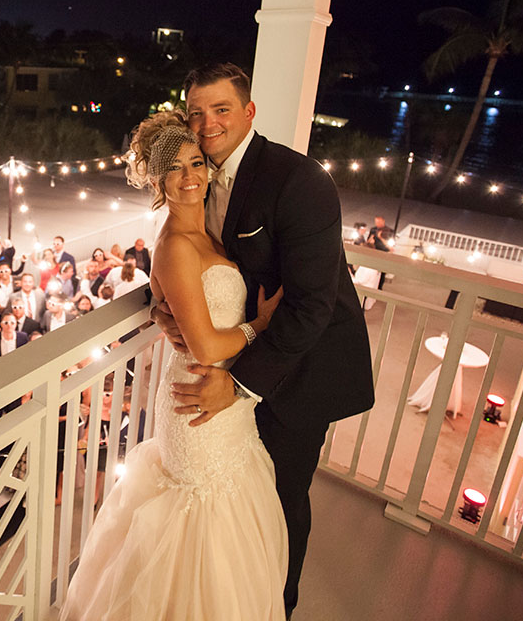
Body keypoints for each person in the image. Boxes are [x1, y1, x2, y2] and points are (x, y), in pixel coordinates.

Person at [154, 64, 375, 616]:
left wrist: (239, 386)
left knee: (278, 502)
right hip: (238, 358)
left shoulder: (300, 180)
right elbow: (187, 257)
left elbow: (312, 307)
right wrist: (161, 305)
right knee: (238, 507)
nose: (207, 124)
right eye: (196, 113)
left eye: (221, 109)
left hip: (301, 370)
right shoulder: (198, 177)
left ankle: (279, 605)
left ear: (248, 111)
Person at [62, 109, 287, 621]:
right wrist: (261, 325)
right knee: (201, 528)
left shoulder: (210, 230)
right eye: (175, 169)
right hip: (197, 400)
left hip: (229, 398)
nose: (190, 177)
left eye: (196, 163)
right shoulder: (175, 245)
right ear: (158, 182)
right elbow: (205, 347)